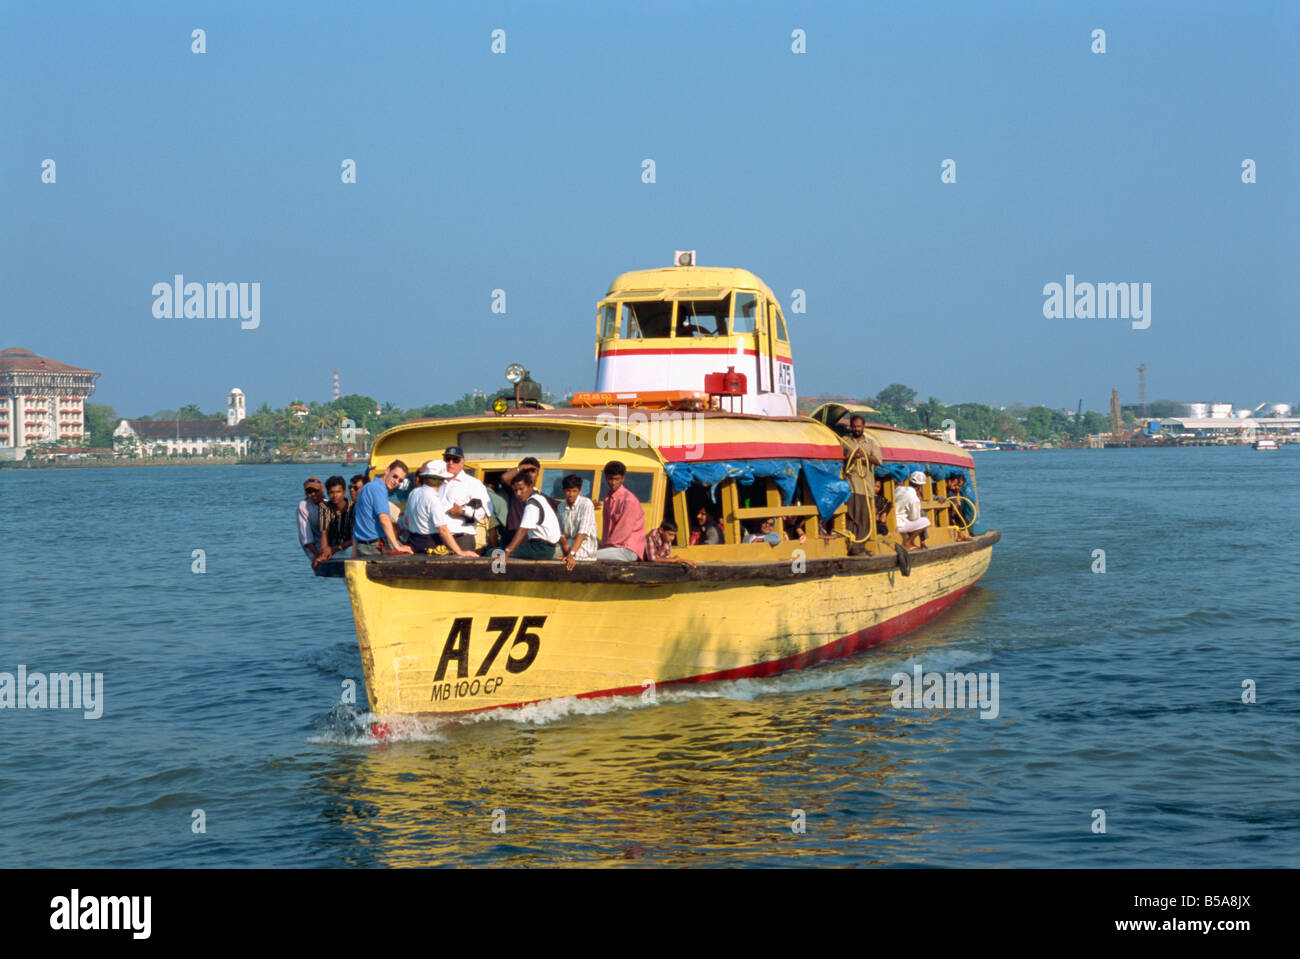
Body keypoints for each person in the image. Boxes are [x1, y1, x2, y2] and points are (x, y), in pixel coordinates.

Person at [407, 460, 475, 556]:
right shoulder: (433, 498)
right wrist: (460, 552)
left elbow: (407, 519)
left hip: (412, 542)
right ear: (442, 480)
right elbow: (443, 530)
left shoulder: (414, 493)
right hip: (430, 545)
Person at [839, 414, 884, 556]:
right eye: (854, 426)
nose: (856, 429)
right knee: (853, 517)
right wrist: (853, 456)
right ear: (851, 427)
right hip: (851, 486)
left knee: (865, 518)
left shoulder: (871, 444)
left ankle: (861, 546)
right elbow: (841, 460)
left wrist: (864, 454)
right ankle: (854, 548)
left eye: (859, 426)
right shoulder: (845, 442)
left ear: (863, 426)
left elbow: (878, 461)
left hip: (866, 487)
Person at [352, 460, 414, 557]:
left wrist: (354, 553)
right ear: (387, 471)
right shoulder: (378, 488)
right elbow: (384, 519)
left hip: (363, 545)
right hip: (373, 546)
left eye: (400, 480)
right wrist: (397, 546)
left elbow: (357, 523)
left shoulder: (369, 487)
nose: (396, 482)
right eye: (395, 476)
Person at [437, 446, 492, 553]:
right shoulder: (439, 483)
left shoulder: (473, 483)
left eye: (455, 459)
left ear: (462, 463)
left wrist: (462, 511)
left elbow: (486, 511)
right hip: (439, 539)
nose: (451, 463)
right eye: (447, 459)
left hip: (461, 539)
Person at [501, 472, 561, 560]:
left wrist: (507, 552)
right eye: (515, 490)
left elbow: (523, 530)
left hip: (540, 549)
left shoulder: (532, 504)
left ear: (530, 486)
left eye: (521, 489)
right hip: (548, 549)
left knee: (494, 552)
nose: (518, 493)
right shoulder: (540, 498)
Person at [596, 460, 645, 562]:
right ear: (606, 478)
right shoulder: (607, 499)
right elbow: (606, 529)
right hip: (613, 548)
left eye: (617, 479)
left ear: (623, 478)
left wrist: (606, 547)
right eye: (610, 479)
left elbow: (623, 531)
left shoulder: (629, 500)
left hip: (627, 549)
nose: (613, 482)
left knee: (586, 556)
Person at [556, 474, 598, 570]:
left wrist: (571, 554)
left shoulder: (586, 504)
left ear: (580, 491)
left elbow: (582, 534)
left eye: (574, 491)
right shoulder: (561, 507)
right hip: (568, 550)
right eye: (568, 491)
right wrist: (567, 551)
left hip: (585, 552)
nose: (571, 494)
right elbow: (561, 534)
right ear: (563, 490)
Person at [498, 456, 540, 546]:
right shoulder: (515, 489)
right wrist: (521, 468)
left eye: (532, 471)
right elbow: (504, 478)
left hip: (529, 543)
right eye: (525, 471)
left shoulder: (540, 496)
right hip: (510, 539)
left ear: (538, 473)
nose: (529, 474)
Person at [317, 476, 354, 565]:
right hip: (332, 548)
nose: (334, 496)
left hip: (350, 546)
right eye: (331, 493)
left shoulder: (353, 507)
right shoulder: (325, 507)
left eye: (338, 492)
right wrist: (325, 550)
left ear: (344, 492)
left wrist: (335, 549)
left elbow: (355, 538)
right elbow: (324, 532)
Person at [895, 470, 931, 551]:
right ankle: (907, 543)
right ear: (919, 486)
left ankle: (911, 543)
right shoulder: (914, 497)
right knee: (925, 521)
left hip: (893, 521)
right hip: (900, 525)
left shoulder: (899, 489)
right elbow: (914, 518)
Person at [297, 477, 325, 564]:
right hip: (315, 552)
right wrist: (319, 556)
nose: (313, 494)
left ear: (322, 490)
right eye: (309, 492)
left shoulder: (328, 504)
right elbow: (307, 538)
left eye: (316, 491)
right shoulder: (303, 506)